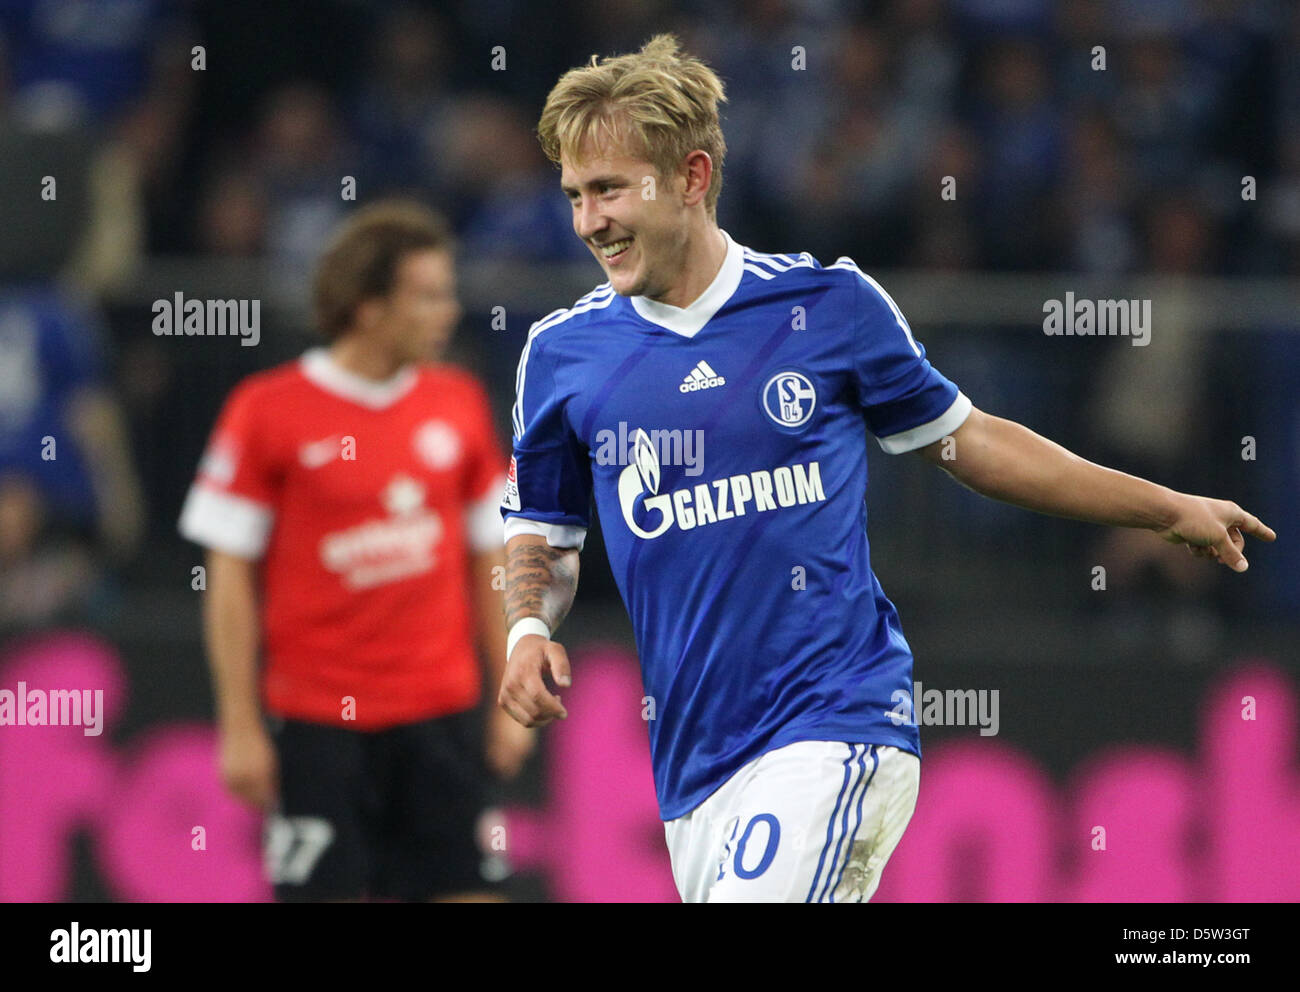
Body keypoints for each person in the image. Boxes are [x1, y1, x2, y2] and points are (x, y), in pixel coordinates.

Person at [496, 35, 1275, 903]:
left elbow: (970, 442)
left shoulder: (828, 310)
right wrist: (528, 630)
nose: (587, 222)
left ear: (691, 176)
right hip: (695, 772)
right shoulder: (563, 355)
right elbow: (543, 529)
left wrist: (1163, 507)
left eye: (608, 190)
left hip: (837, 724)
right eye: (573, 196)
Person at [180, 200, 533, 901]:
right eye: (428, 296)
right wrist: (241, 724)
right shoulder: (266, 411)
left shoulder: (458, 402)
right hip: (319, 726)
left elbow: (489, 559)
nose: (449, 311)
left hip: (440, 716)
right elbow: (227, 579)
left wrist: (508, 694)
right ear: (370, 308)